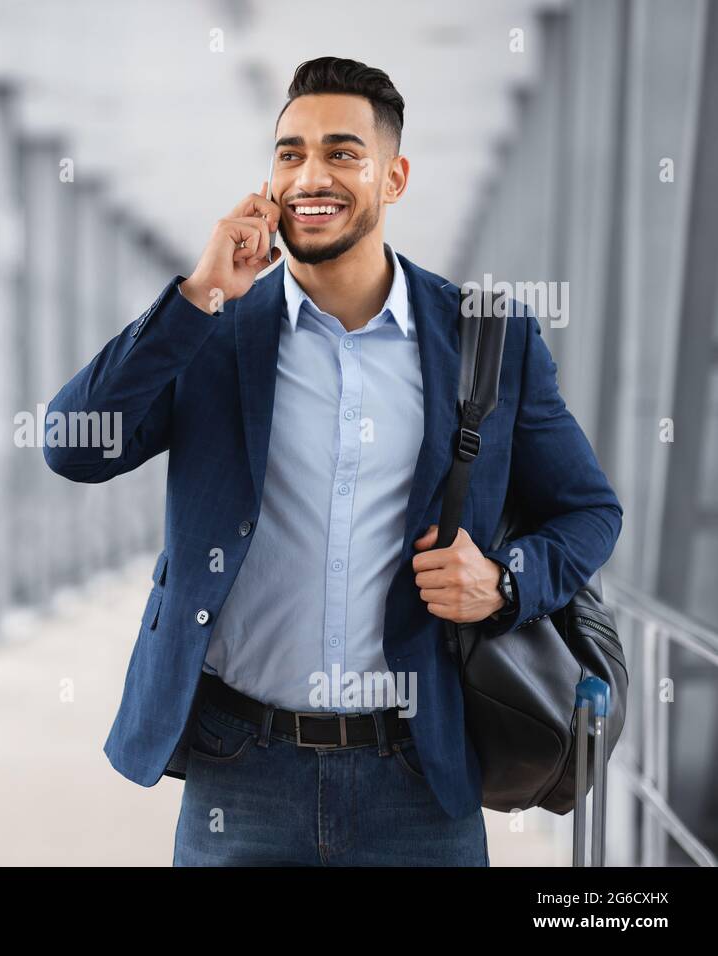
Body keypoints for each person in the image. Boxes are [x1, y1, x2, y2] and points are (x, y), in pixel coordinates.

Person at [42, 56, 622, 866]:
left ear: (394, 177)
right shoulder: (211, 330)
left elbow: (591, 512)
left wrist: (508, 581)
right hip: (240, 772)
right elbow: (72, 446)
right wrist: (200, 293)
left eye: (343, 152)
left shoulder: (488, 336)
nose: (311, 174)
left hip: (421, 775)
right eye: (290, 153)